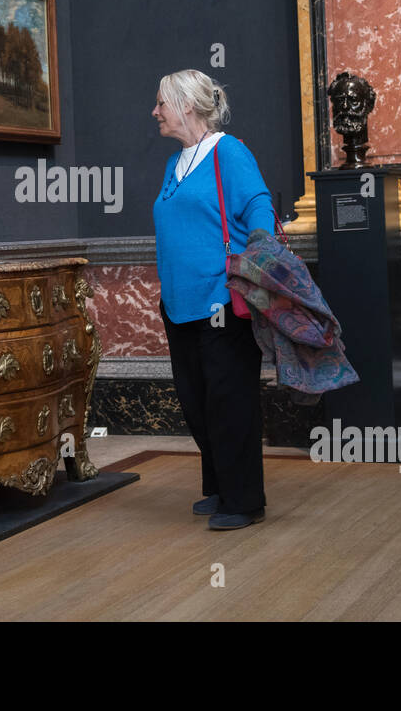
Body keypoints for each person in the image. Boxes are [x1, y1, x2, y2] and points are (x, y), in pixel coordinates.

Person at [151, 68, 276, 530]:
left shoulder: (229, 151)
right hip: (179, 302)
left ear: (186, 105)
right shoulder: (175, 163)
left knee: (229, 400)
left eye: (161, 103)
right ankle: (221, 486)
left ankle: (245, 500)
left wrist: (261, 246)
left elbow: (258, 203)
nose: (155, 112)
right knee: (196, 400)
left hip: (221, 299)